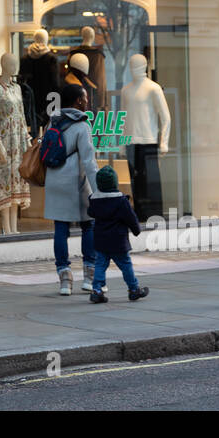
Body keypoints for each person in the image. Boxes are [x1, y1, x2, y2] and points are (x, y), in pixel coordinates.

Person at [44, 85, 98, 295]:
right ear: (77, 101)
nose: (87, 101)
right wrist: (99, 190)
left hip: (55, 180)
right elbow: (89, 160)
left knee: (60, 228)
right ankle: (89, 276)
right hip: (77, 181)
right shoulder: (82, 125)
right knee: (88, 225)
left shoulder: (53, 121)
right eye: (84, 98)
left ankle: (64, 278)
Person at [86, 165, 148, 303]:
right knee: (126, 265)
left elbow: (90, 213)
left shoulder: (94, 200)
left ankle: (96, 290)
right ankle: (133, 289)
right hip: (118, 242)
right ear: (115, 183)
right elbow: (131, 218)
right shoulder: (121, 201)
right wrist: (136, 230)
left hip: (101, 241)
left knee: (100, 265)